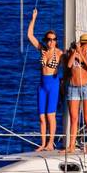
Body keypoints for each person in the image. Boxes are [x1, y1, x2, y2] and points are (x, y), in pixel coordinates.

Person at [27, 9, 62, 151]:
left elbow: (71, 61)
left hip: (53, 84)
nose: (51, 42)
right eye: (49, 39)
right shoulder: (42, 50)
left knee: (50, 115)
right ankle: (43, 143)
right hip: (42, 85)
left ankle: (50, 143)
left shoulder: (59, 53)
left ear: (56, 41)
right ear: (46, 40)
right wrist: (33, 18)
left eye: (53, 39)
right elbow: (30, 35)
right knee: (41, 117)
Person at [66, 33, 87, 153]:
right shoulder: (73, 53)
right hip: (73, 87)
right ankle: (71, 146)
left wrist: (82, 56)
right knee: (74, 118)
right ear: (86, 43)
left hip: (86, 87)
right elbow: (69, 65)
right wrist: (75, 52)